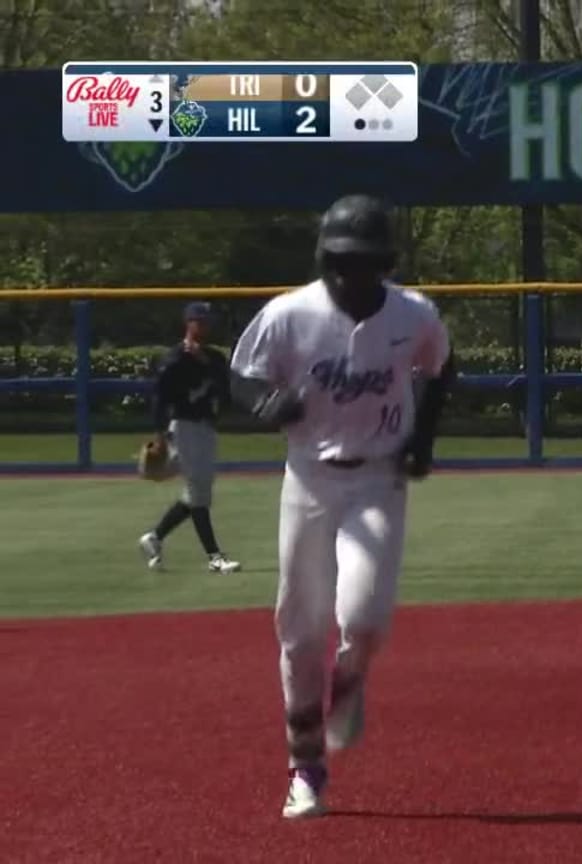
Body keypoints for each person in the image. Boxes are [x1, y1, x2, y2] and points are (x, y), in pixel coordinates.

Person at [229, 194, 455, 820]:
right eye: (340, 260)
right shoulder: (291, 313)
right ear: (325, 258)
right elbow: (241, 374)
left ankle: (350, 680)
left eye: (362, 261)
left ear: (384, 262)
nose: (349, 272)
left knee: (365, 617)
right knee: (300, 632)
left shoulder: (413, 314)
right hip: (309, 479)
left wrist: (423, 440)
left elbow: (440, 367)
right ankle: (306, 768)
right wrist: (261, 403)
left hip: (379, 477)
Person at [138, 301, 242, 574]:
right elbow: (159, 400)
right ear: (188, 323)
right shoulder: (174, 359)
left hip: (205, 428)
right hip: (183, 427)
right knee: (198, 492)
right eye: (200, 321)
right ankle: (214, 557)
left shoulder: (214, 357)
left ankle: (155, 537)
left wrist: (204, 362)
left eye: (208, 321)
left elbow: (226, 388)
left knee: (197, 492)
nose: (205, 325)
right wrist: (160, 435)